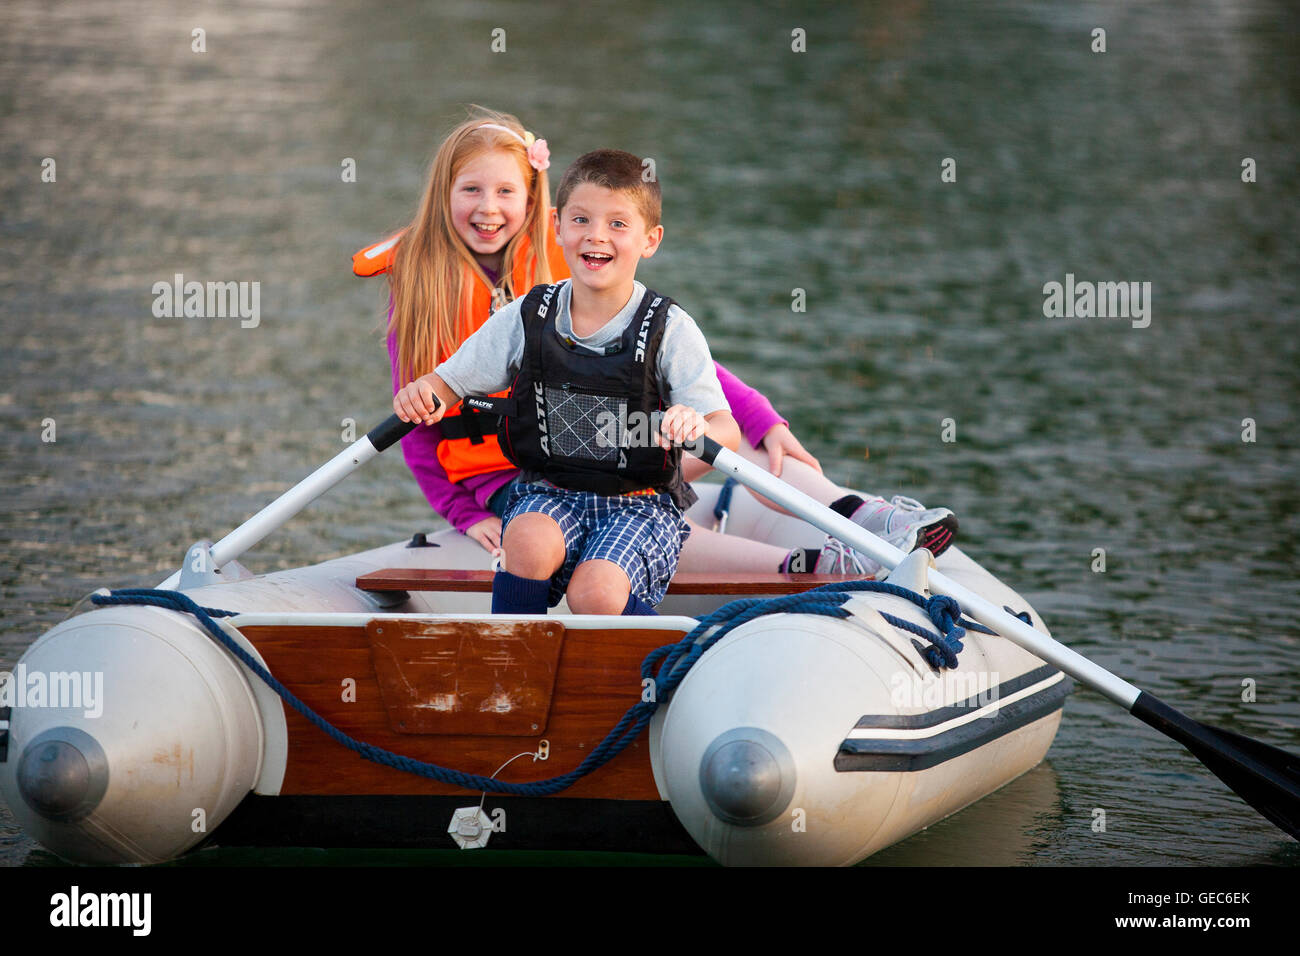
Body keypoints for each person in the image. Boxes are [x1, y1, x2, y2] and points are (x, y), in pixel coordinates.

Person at [360, 108, 957, 579]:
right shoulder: (421, 295)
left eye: (505, 193)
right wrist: (466, 515)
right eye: (471, 190)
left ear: (535, 201)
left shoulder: (561, 267)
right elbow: (416, 428)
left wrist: (762, 420)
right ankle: (813, 568)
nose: (489, 209)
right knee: (634, 506)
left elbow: (671, 359)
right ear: (445, 194)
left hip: (604, 437)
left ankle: (870, 519)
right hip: (515, 474)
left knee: (749, 451)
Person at [394, 148, 739, 615]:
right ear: (557, 226)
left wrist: (694, 426)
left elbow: (726, 431)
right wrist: (426, 391)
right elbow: (449, 380)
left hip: (638, 503)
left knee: (594, 593)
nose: (596, 236)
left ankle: (654, 667)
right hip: (549, 491)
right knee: (528, 540)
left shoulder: (671, 329)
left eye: (618, 224)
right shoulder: (528, 315)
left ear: (650, 240)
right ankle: (511, 668)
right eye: (581, 219)